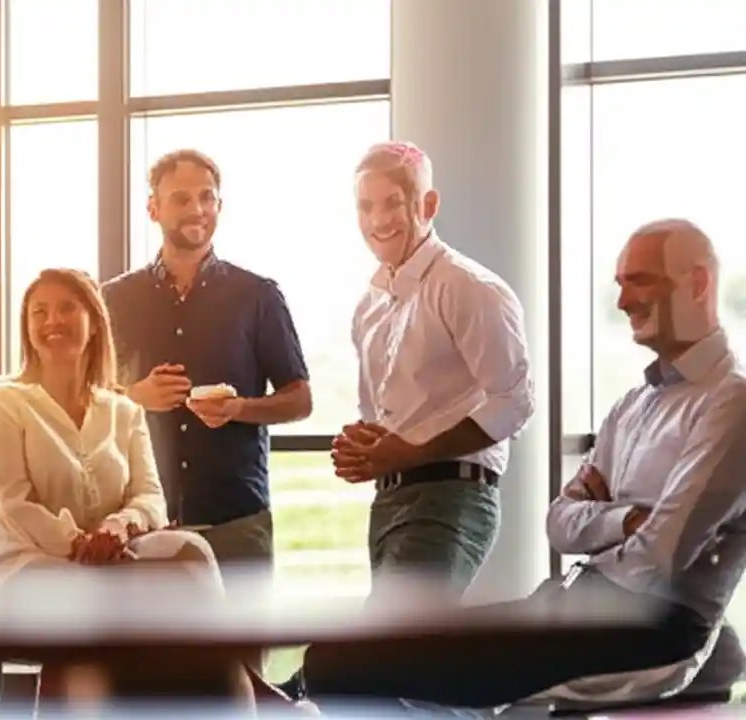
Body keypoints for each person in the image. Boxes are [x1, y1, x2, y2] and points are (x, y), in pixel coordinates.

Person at [299, 219, 746, 709]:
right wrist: (629, 519)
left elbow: (660, 554)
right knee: (349, 655)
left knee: (342, 666)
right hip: (575, 606)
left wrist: (609, 520)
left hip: (644, 629)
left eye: (640, 281)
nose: (622, 302)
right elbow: (560, 524)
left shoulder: (732, 404)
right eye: (620, 285)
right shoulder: (633, 405)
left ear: (699, 284)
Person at [0, 268, 255, 705]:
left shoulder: (122, 409)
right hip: (24, 569)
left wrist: (117, 530)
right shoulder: (2, 403)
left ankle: (218, 696)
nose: (53, 322)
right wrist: (78, 543)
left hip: (114, 559)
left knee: (191, 553)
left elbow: (149, 498)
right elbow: (11, 504)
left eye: (67, 308)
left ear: (94, 322)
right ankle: (257, 698)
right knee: (131, 600)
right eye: (39, 312)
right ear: (27, 329)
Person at [330, 140, 535, 607]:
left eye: (392, 204)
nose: (378, 220)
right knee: (395, 655)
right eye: (365, 206)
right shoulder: (370, 305)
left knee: (390, 642)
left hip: (452, 497)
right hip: (390, 500)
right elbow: (383, 419)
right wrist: (364, 448)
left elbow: (515, 400)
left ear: (428, 204)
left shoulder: (469, 287)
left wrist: (412, 450)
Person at [100, 149, 312, 572]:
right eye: (180, 199)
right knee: (149, 642)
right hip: (143, 522)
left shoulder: (258, 296)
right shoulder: (113, 300)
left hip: (236, 519)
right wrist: (134, 396)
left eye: (207, 197)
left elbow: (299, 399)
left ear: (219, 206)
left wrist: (240, 409)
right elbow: (85, 397)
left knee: (244, 640)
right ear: (153, 208)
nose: (196, 209)